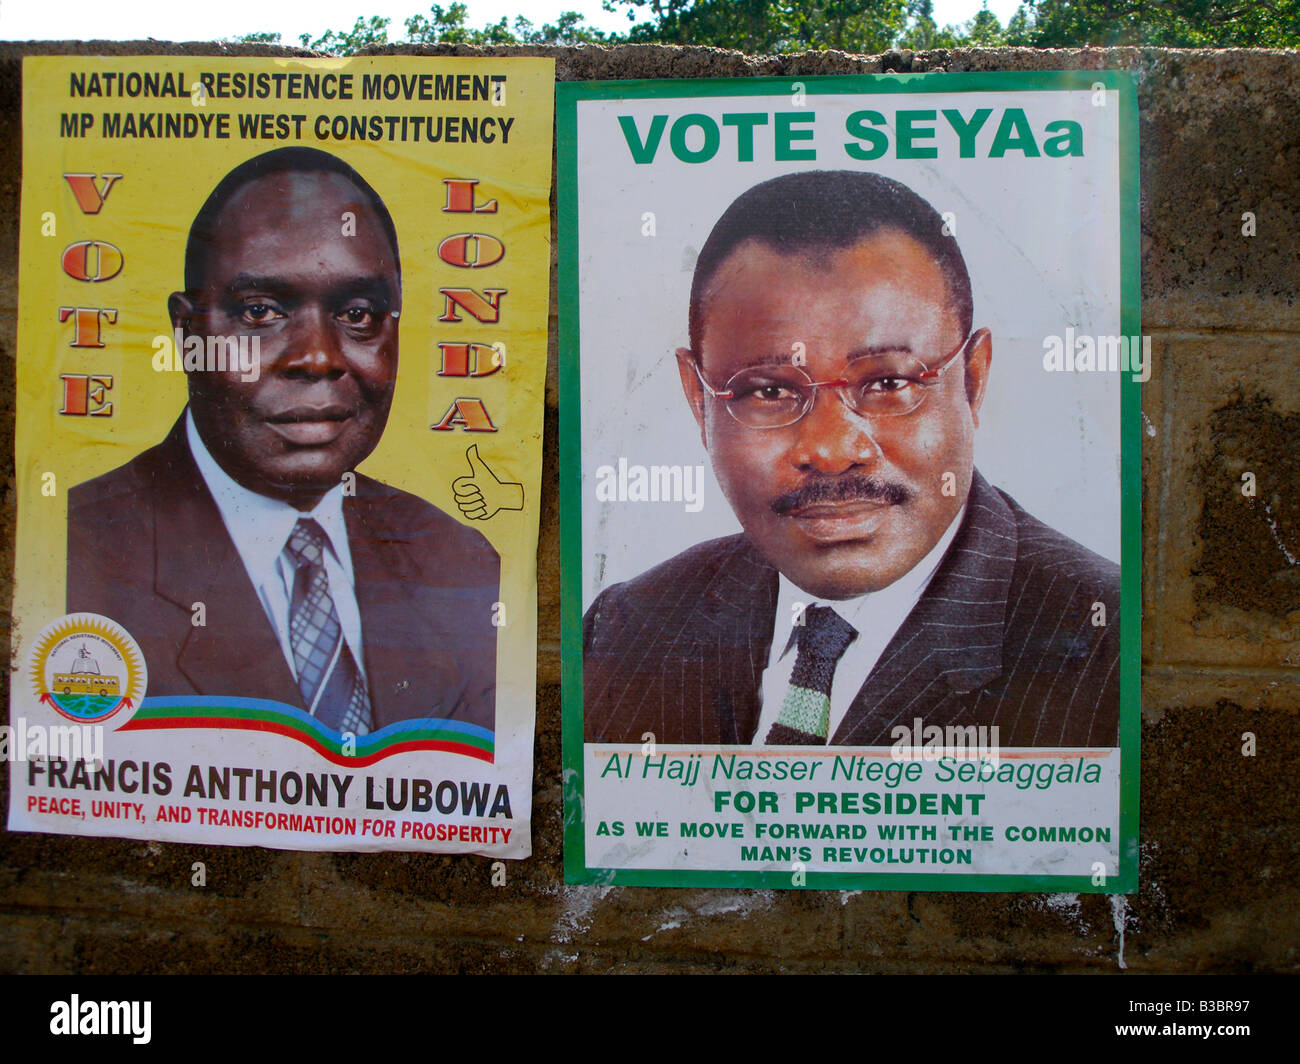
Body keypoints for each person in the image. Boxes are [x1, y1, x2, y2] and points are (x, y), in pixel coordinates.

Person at [583, 170, 1119, 748]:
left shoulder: (1111, 649)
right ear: (698, 401)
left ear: (972, 381)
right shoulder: (625, 631)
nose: (833, 450)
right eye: (769, 391)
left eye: (888, 383)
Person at [67, 146, 499, 736]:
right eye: (260, 312)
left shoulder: (460, 563)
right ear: (187, 335)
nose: (317, 357)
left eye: (358, 314)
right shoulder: (75, 557)